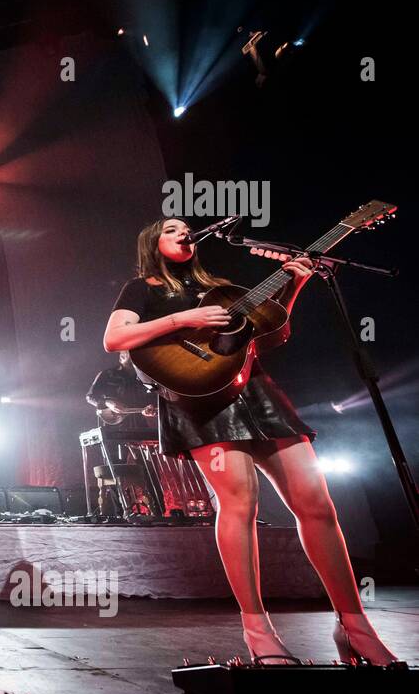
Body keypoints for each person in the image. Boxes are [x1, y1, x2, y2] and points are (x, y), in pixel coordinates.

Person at [103, 217, 399, 665]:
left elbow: (272, 333)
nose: (184, 232)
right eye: (170, 229)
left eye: (186, 227)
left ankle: (353, 625)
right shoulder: (142, 288)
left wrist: (294, 286)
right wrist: (186, 317)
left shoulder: (222, 286)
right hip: (201, 399)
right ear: (152, 242)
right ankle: (258, 630)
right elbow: (114, 338)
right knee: (240, 504)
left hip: (256, 391)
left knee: (316, 502)